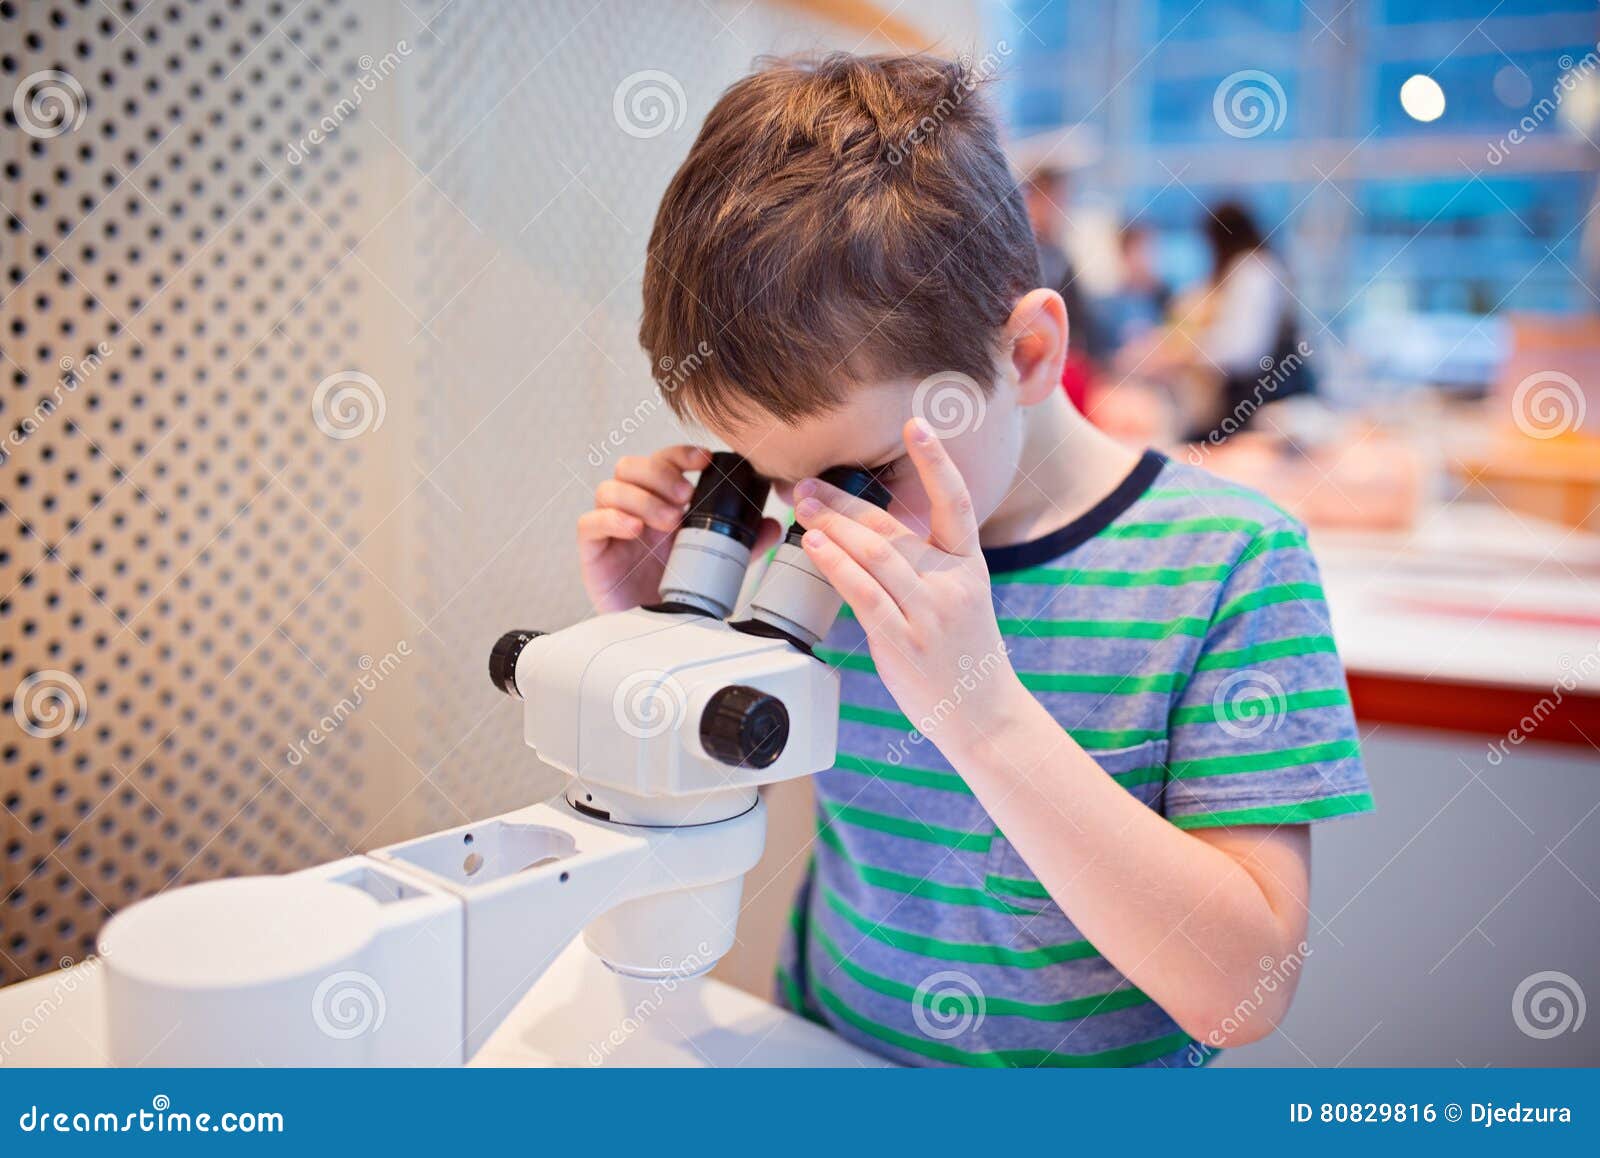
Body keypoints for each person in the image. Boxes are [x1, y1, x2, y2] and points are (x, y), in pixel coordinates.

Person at [579, 54, 1372, 1068]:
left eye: (863, 476)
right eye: (769, 481)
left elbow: (1241, 992)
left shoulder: (1230, 567)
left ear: (1030, 355)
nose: (820, 529)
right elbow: (701, 845)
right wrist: (662, 657)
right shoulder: (823, 547)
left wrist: (979, 709)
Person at [1117, 201, 1314, 444]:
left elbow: (1242, 349)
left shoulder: (1253, 271)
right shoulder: (1252, 269)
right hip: (1250, 403)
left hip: (1261, 404)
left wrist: (1184, 355)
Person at [1099, 223, 1172, 352]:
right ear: (1124, 255)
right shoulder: (1107, 309)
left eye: (1152, 251)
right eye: (1140, 251)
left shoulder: (1167, 299)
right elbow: (1101, 357)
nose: (1147, 259)